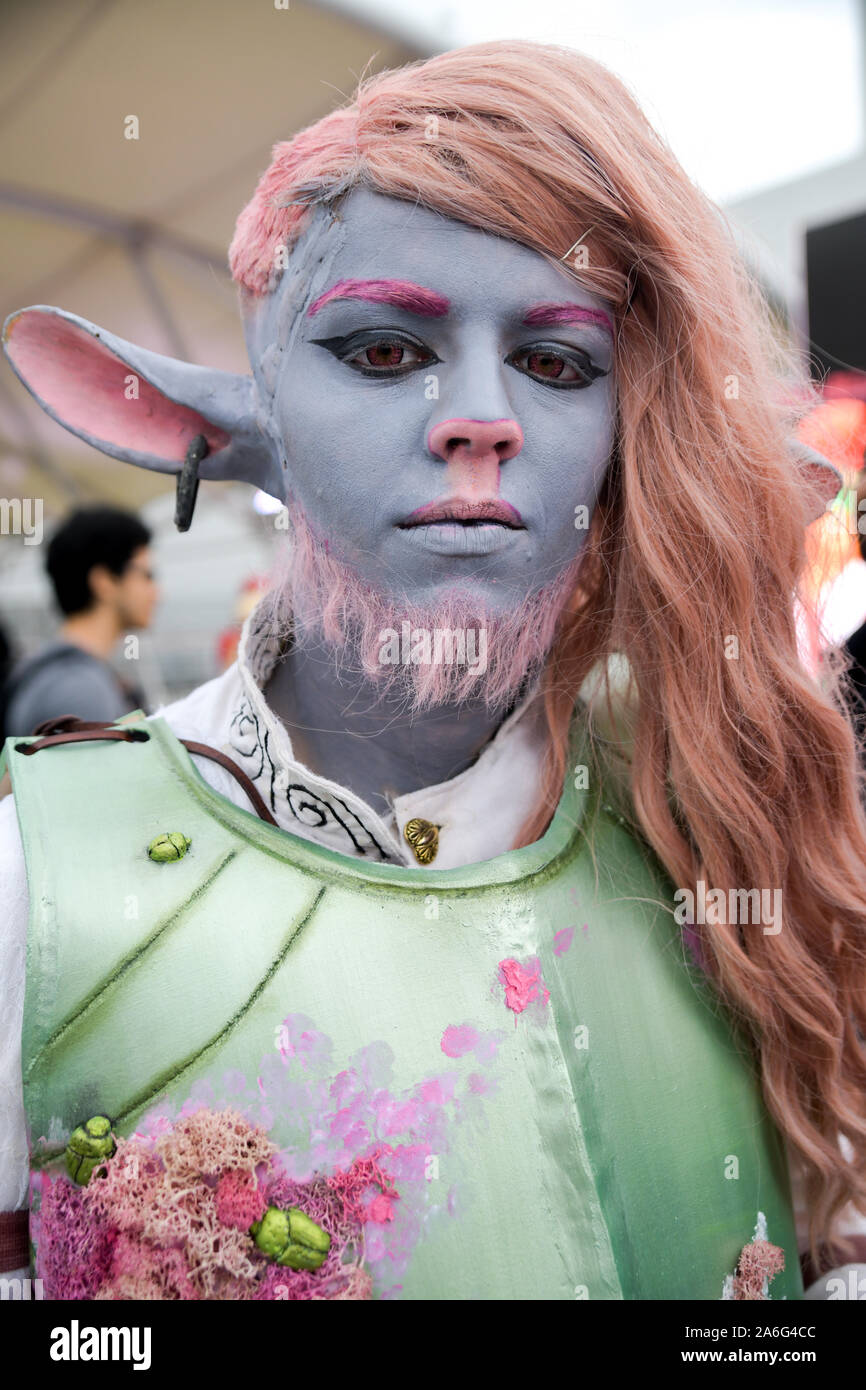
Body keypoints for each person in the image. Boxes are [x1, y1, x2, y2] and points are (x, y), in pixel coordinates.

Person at [0, 40, 864, 1301]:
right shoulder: (41, 882)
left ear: (625, 438)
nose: (481, 418)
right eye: (383, 350)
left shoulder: (723, 824)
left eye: (557, 363)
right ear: (249, 428)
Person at [1, 507, 159, 737]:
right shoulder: (79, 690)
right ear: (103, 581)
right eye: (147, 575)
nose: (157, 593)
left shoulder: (63, 675)